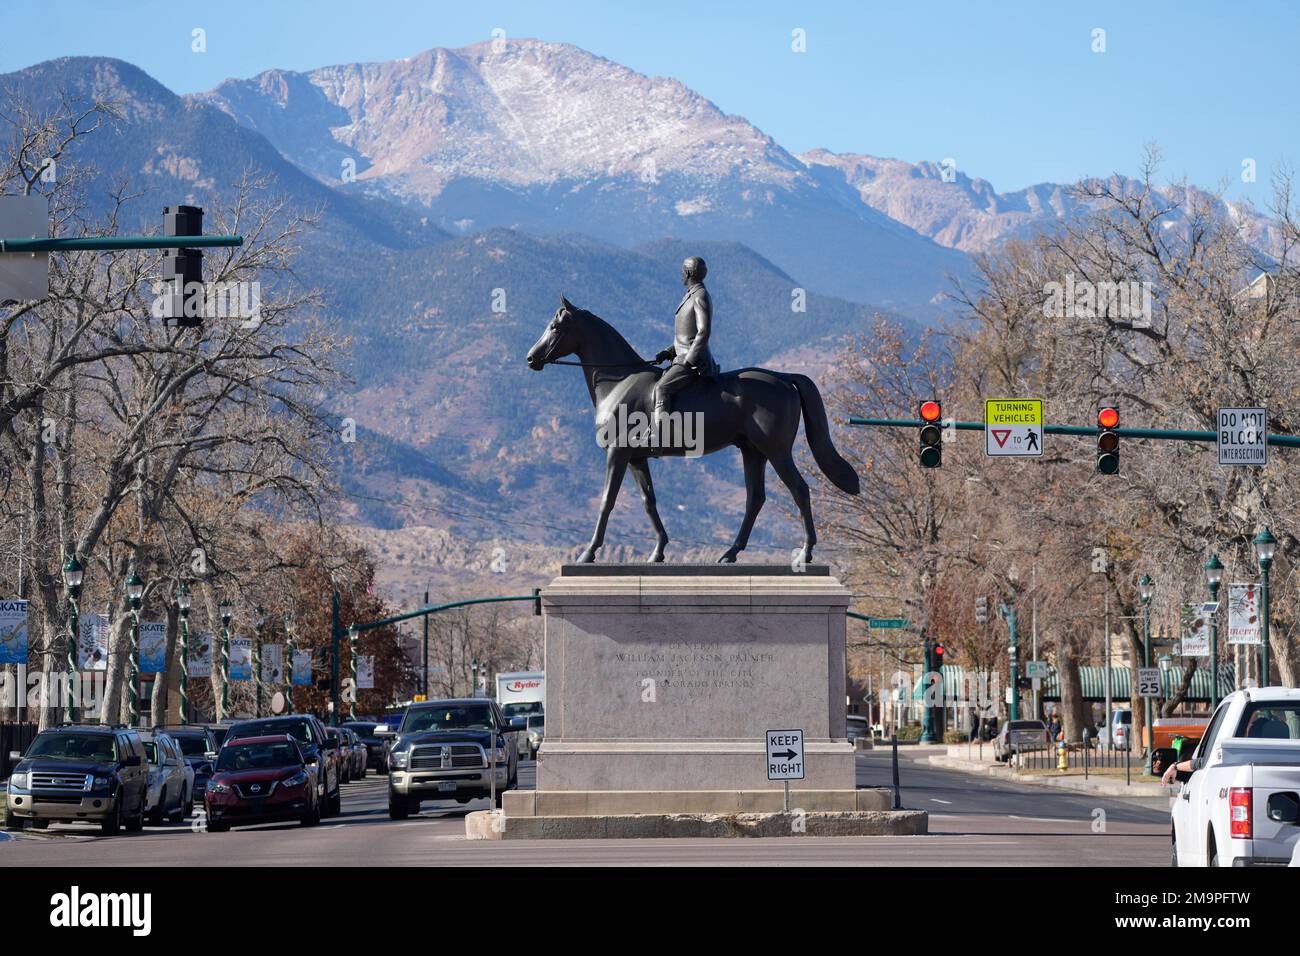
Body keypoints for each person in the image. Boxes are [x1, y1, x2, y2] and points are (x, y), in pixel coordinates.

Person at [653, 256, 719, 437]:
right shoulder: (691, 295)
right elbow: (686, 336)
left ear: (689, 273)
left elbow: (703, 332)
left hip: (694, 361)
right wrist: (668, 352)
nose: (682, 274)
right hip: (681, 356)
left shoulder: (700, 296)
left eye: (683, 271)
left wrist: (689, 360)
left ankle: (660, 435)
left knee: (662, 389)